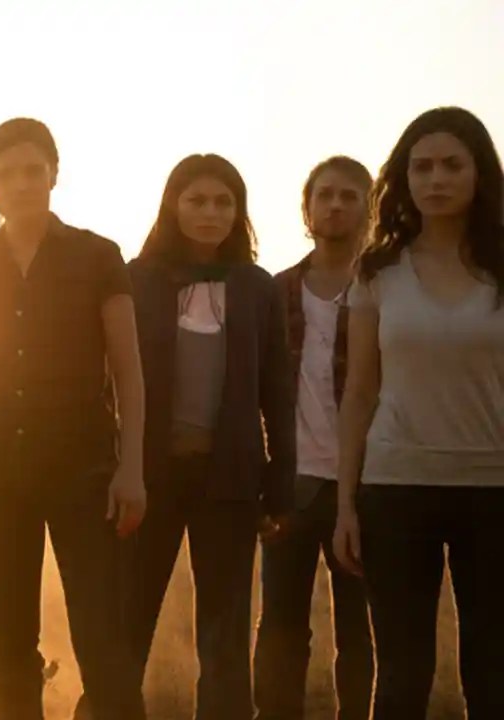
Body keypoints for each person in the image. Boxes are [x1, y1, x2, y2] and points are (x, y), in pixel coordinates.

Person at [0, 118, 148, 720]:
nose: (23, 184)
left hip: (86, 469)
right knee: (10, 640)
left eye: (34, 170)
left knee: (103, 635)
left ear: (54, 174)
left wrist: (131, 470)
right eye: (7, 174)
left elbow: (128, 372)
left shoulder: (98, 256)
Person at [333, 106, 504, 720]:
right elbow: (358, 394)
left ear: (479, 173)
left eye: (452, 165)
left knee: (493, 676)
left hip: (494, 491)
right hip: (395, 489)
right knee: (402, 677)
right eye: (422, 166)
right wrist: (346, 503)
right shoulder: (377, 271)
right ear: (403, 178)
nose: (436, 178)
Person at [124, 154, 294, 720]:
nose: (210, 212)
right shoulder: (135, 280)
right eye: (196, 200)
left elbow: (277, 389)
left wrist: (281, 479)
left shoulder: (257, 288)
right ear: (173, 206)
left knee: (224, 636)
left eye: (224, 202)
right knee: (125, 626)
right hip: (149, 479)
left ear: (239, 213)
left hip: (230, 480)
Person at [253, 157, 374, 720]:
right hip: (292, 483)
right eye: (324, 195)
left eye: (349, 195)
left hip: (366, 484)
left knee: (361, 629)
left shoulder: (384, 292)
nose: (335, 205)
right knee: (280, 627)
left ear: (369, 209)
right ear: (306, 210)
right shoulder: (275, 293)